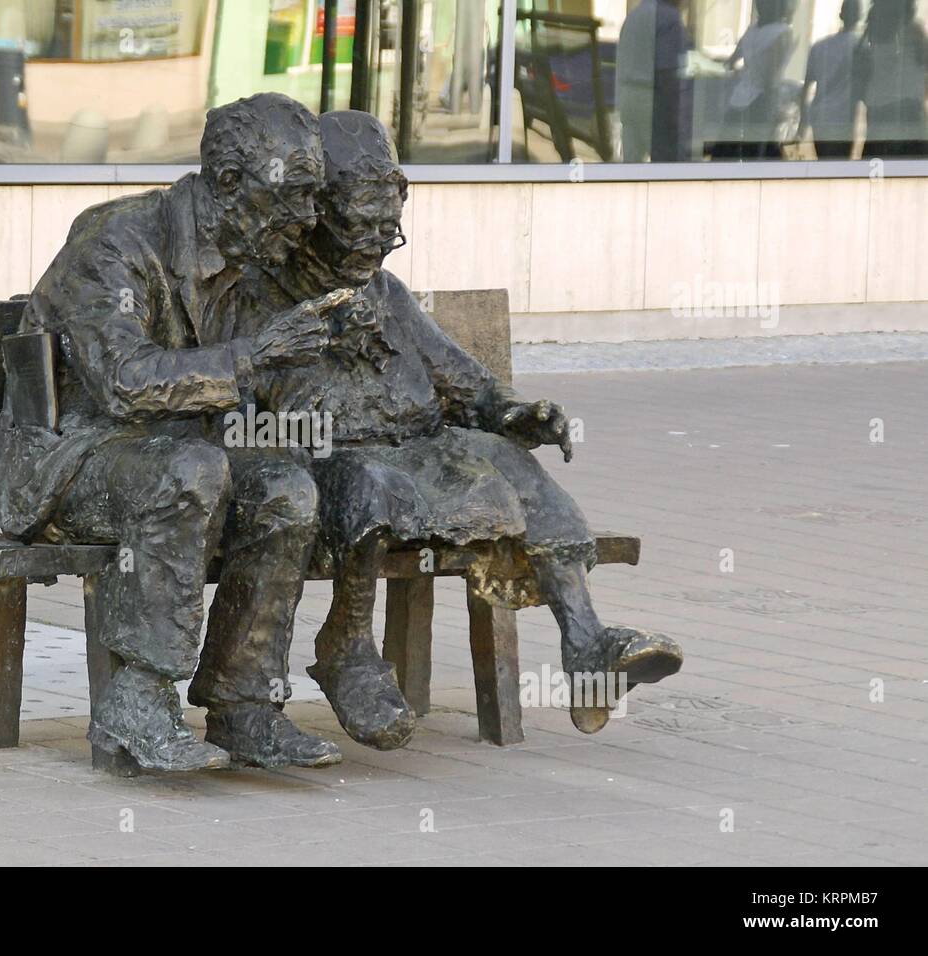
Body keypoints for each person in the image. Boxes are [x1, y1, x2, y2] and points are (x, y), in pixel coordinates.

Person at [220, 111, 683, 747]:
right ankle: (348, 647)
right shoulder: (257, 293)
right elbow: (240, 409)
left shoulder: (386, 293)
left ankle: (587, 643)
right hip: (325, 465)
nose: (378, 244)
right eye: (360, 227)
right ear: (314, 213)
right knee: (368, 483)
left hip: (419, 453)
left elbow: (468, 384)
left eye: (388, 229)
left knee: (515, 466)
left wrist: (515, 412)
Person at [0, 94, 343, 772]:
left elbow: (253, 395)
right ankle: (139, 697)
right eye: (295, 196)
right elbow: (124, 382)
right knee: (190, 471)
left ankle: (243, 701)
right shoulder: (116, 241)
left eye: (314, 197)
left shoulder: (254, 253)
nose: (309, 217)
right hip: (69, 457)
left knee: (286, 489)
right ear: (229, 182)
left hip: (179, 450)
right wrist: (252, 358)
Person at [713, 0, 797, 159]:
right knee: (757, 147)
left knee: (728, 143)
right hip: (762, 96)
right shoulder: (782, 32)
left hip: (742, 95)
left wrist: (743, 73)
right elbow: (771, 74)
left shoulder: (752, 31)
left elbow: (732, 62)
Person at [616, 0, 692, 162]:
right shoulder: (670, 18)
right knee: (665, 162)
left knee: (632, 162)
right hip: (653, 97)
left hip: (628, 96)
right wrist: (674, 117)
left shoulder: (634, 15)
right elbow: (667, 72)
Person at [857, 0, 928, 157]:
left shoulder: (873, 33)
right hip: (909, 116)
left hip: (879, 116)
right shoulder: (915, 33)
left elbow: (860, 85)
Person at [803, 0, 863, 158]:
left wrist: (803, 120)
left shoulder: (819, 46)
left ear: (841, 14)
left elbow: (806, 85)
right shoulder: (860, 47)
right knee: (840, 164)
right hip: (843, 118)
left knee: (823, 161)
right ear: (859, 16)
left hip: (819, 115)